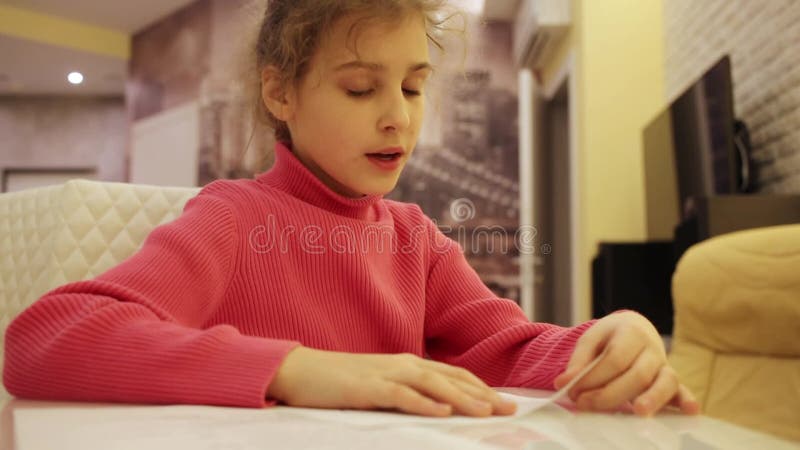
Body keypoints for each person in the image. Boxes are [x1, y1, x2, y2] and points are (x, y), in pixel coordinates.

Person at [3, 0, 699, 419]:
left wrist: (602, 342)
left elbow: (510, 351)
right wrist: (297, 368)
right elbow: (42, 340)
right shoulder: (234, 217)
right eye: (363, 89)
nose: (398, 117)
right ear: (281, 94)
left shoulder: (415, 240)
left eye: (414, 87)